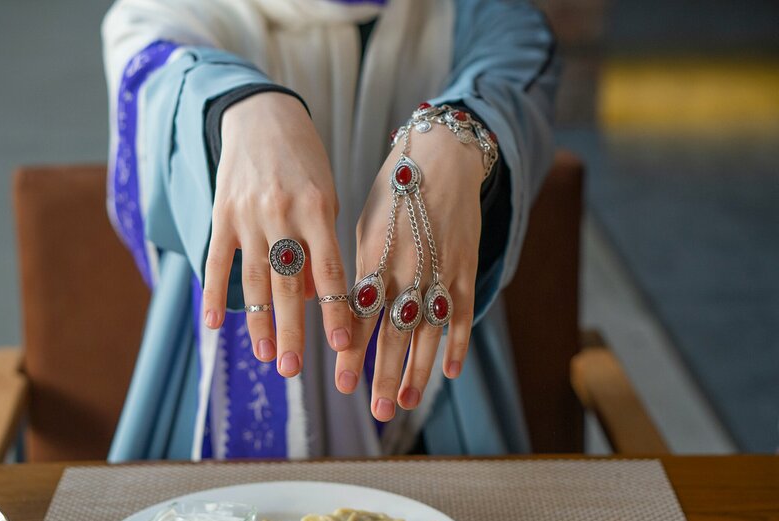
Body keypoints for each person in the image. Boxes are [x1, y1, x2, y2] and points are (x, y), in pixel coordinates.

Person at [102, 0, 558, 461]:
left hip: (431, 383)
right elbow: (159, 74)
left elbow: (508, 73)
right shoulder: (168, 12)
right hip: (206, 381)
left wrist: (457, 139)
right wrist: (237, 107)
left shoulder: (480, 15)